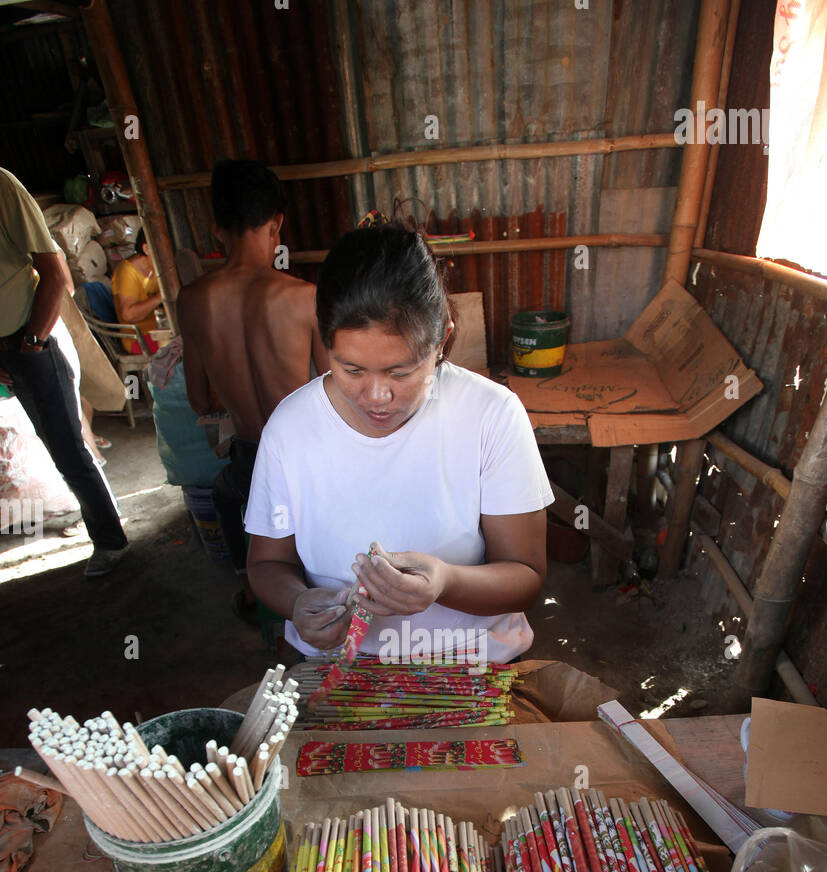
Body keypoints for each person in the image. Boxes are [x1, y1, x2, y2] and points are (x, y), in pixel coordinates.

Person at [244, 220, 553, 665]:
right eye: (351, 369)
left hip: (471, 660)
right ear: (325, 342)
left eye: (400, 372)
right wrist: (297, 603)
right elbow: (267, 565)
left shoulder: (491, 414)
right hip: (342, 665)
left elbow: (526, 574)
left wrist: (445, 582)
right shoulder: (290, 428)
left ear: (442, 339)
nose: (377, 396)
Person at [177, 159, 327, 619]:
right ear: (276, 223)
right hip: (310, 462)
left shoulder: (194, 300)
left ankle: (250, 586)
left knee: (227, 496)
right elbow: (335, 393)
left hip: (249, 463)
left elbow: (200, 400)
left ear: (216, 228)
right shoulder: (305, 297)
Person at [0, 167, 127, 576]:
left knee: (67, 447)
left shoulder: (3, 188)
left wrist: (32, 340)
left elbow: (56, 274)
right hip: (7, 346)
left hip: (31, 335)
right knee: (52, 445)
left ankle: (110, 541)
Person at [111, 227, 161, 354]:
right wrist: (159, 297)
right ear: (146, 249)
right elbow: (128, 314)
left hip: (161, 331)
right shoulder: (127, 271)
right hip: (139, 337)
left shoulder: (158, 269)